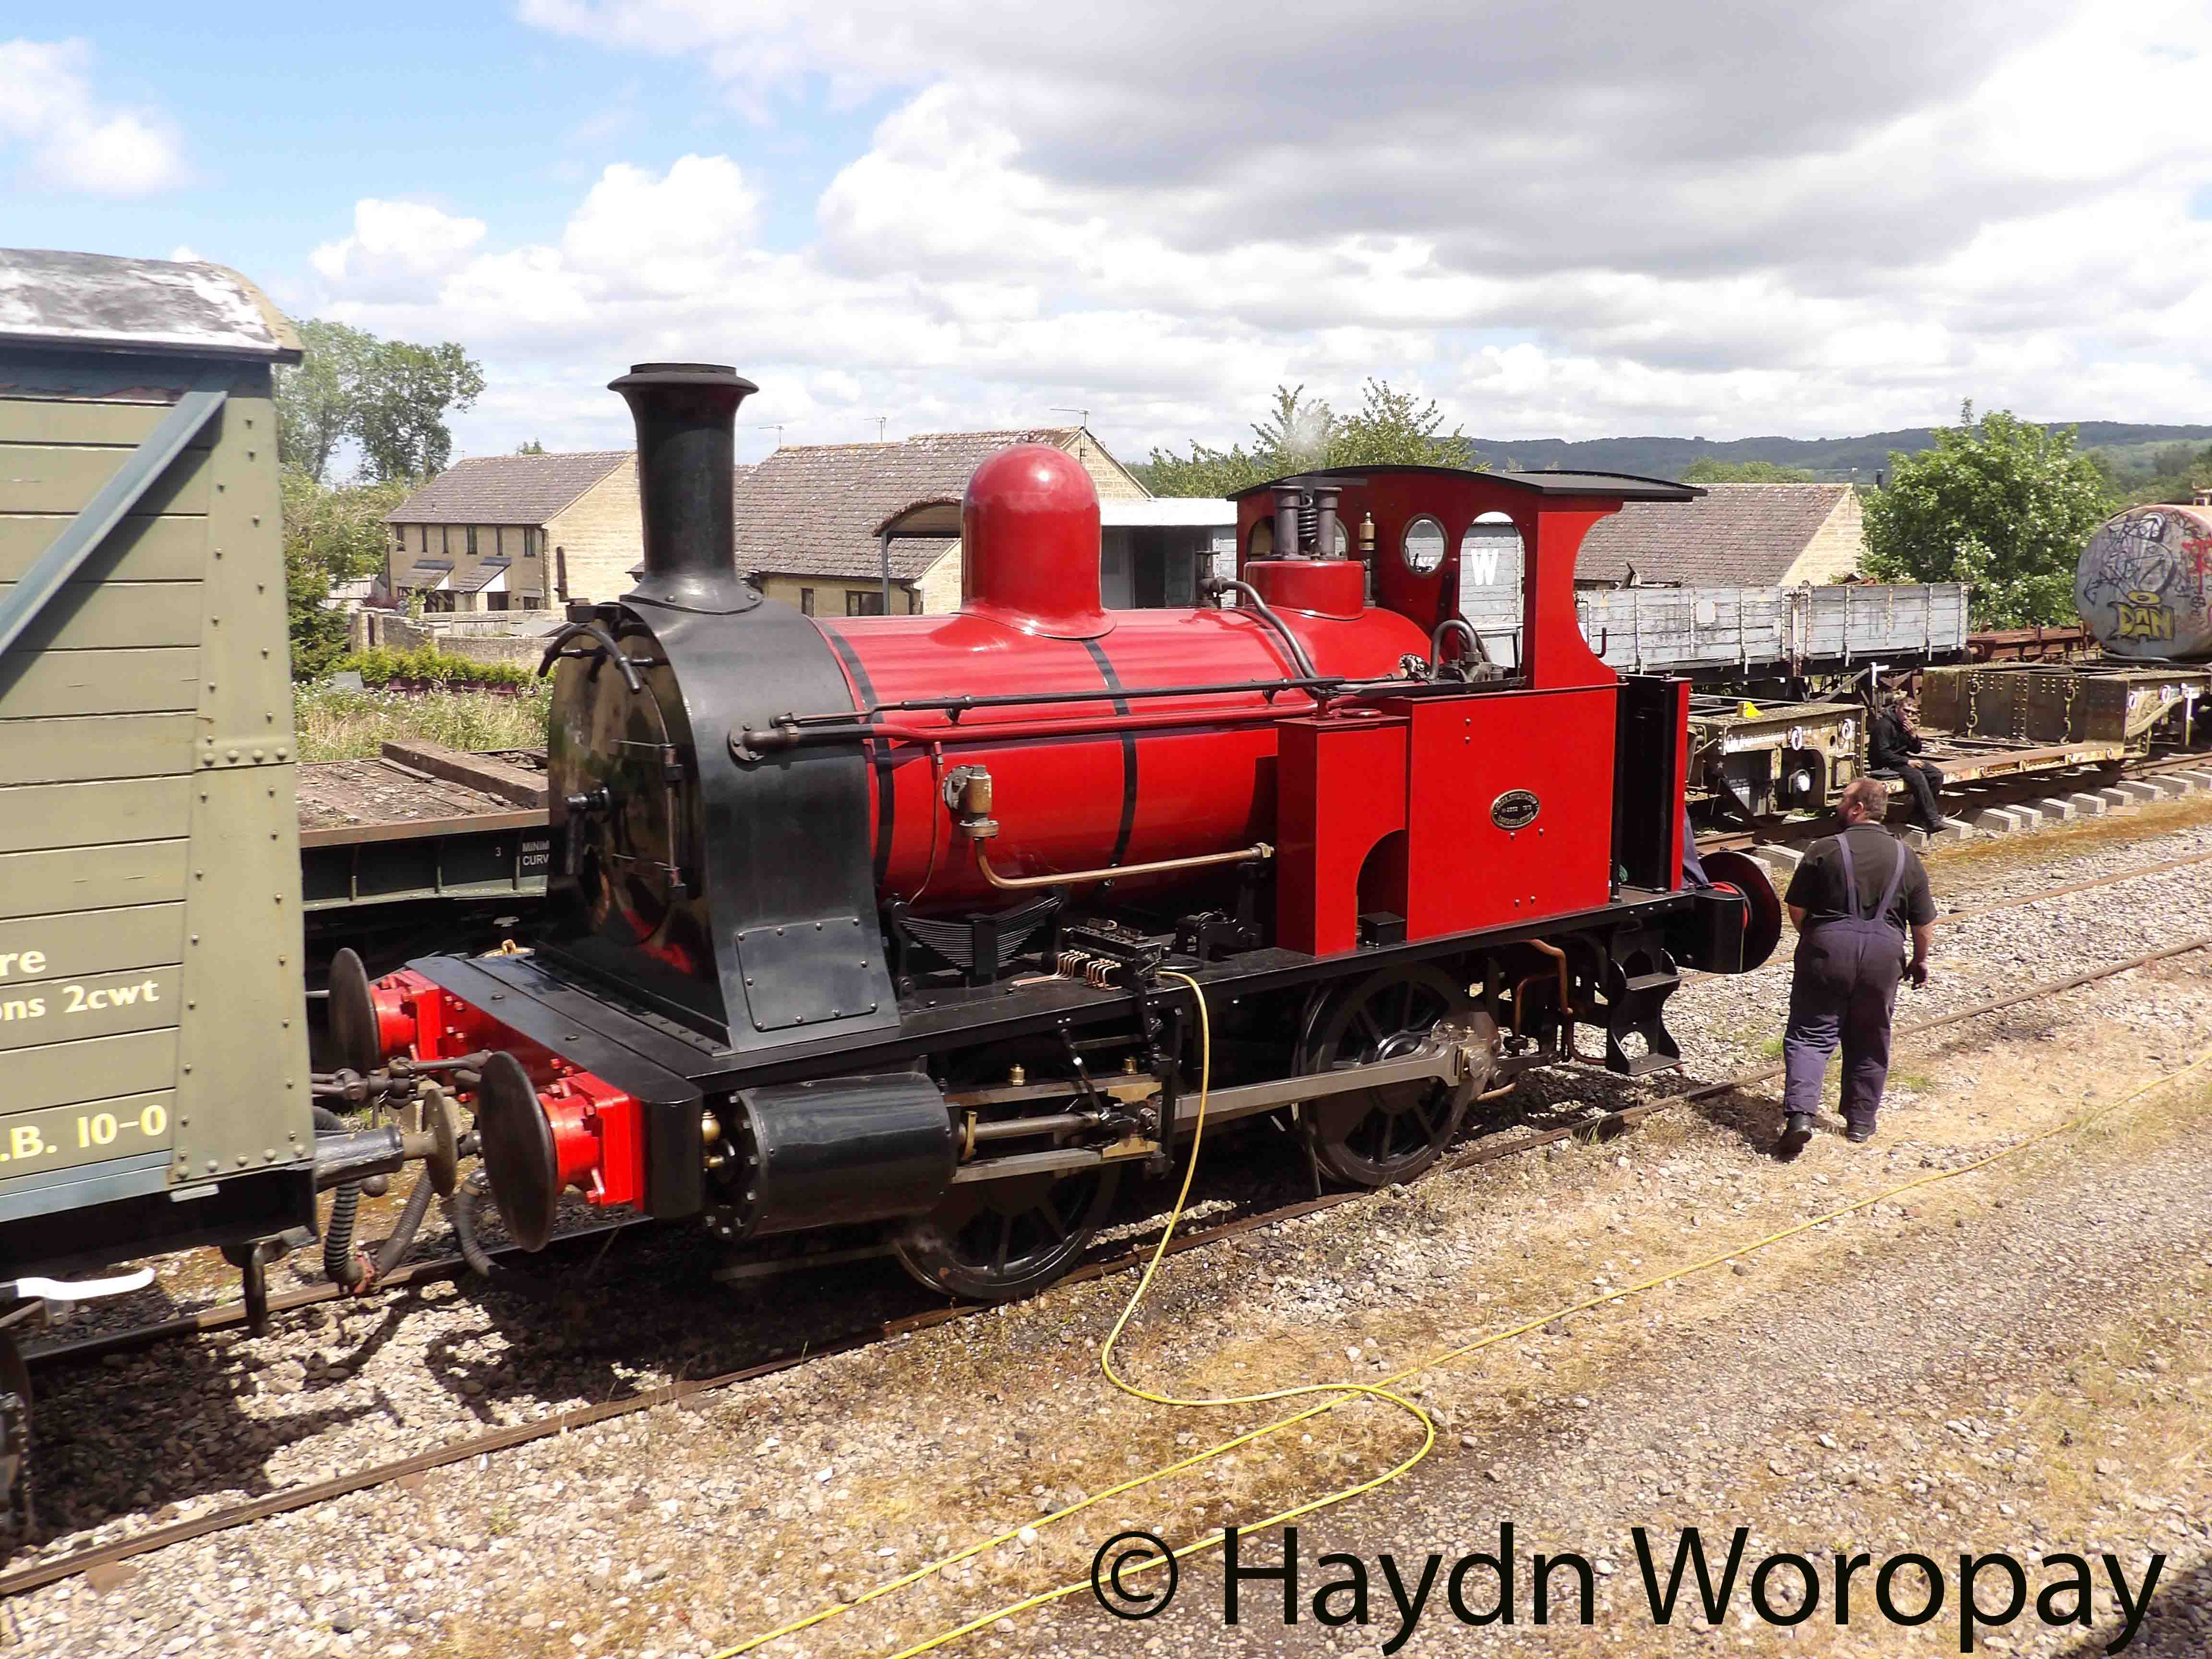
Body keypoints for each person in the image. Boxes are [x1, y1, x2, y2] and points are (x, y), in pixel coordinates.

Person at [1776, 777, 1935, 1156]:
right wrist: (1921, 959)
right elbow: (1923, 923)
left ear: (1858, 809)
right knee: (1870, 1035)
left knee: (1811, 1035)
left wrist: (1818, 939)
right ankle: (1861, 1123)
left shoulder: (1825, 849)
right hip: (1884, 953)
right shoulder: (1906, 857)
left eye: (1843, 799)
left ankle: (1800, 1117)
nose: (1838, 805)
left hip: (1828, 948)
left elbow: (1796, 908)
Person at [1869, 692, 1947, 832]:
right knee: (1917, 777)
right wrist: (1907, 761)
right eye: (1906, 711)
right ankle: (1932, 820)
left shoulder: (1906, 725)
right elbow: (1881, 753)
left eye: (1912, 713)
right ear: (1897, 708)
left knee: (1936, 775)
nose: (1909, 715)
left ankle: (1919, 814)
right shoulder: (1884, 725)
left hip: (1901, 759)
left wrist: (1914, 736)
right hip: (1884, 763)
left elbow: (1916, 750)